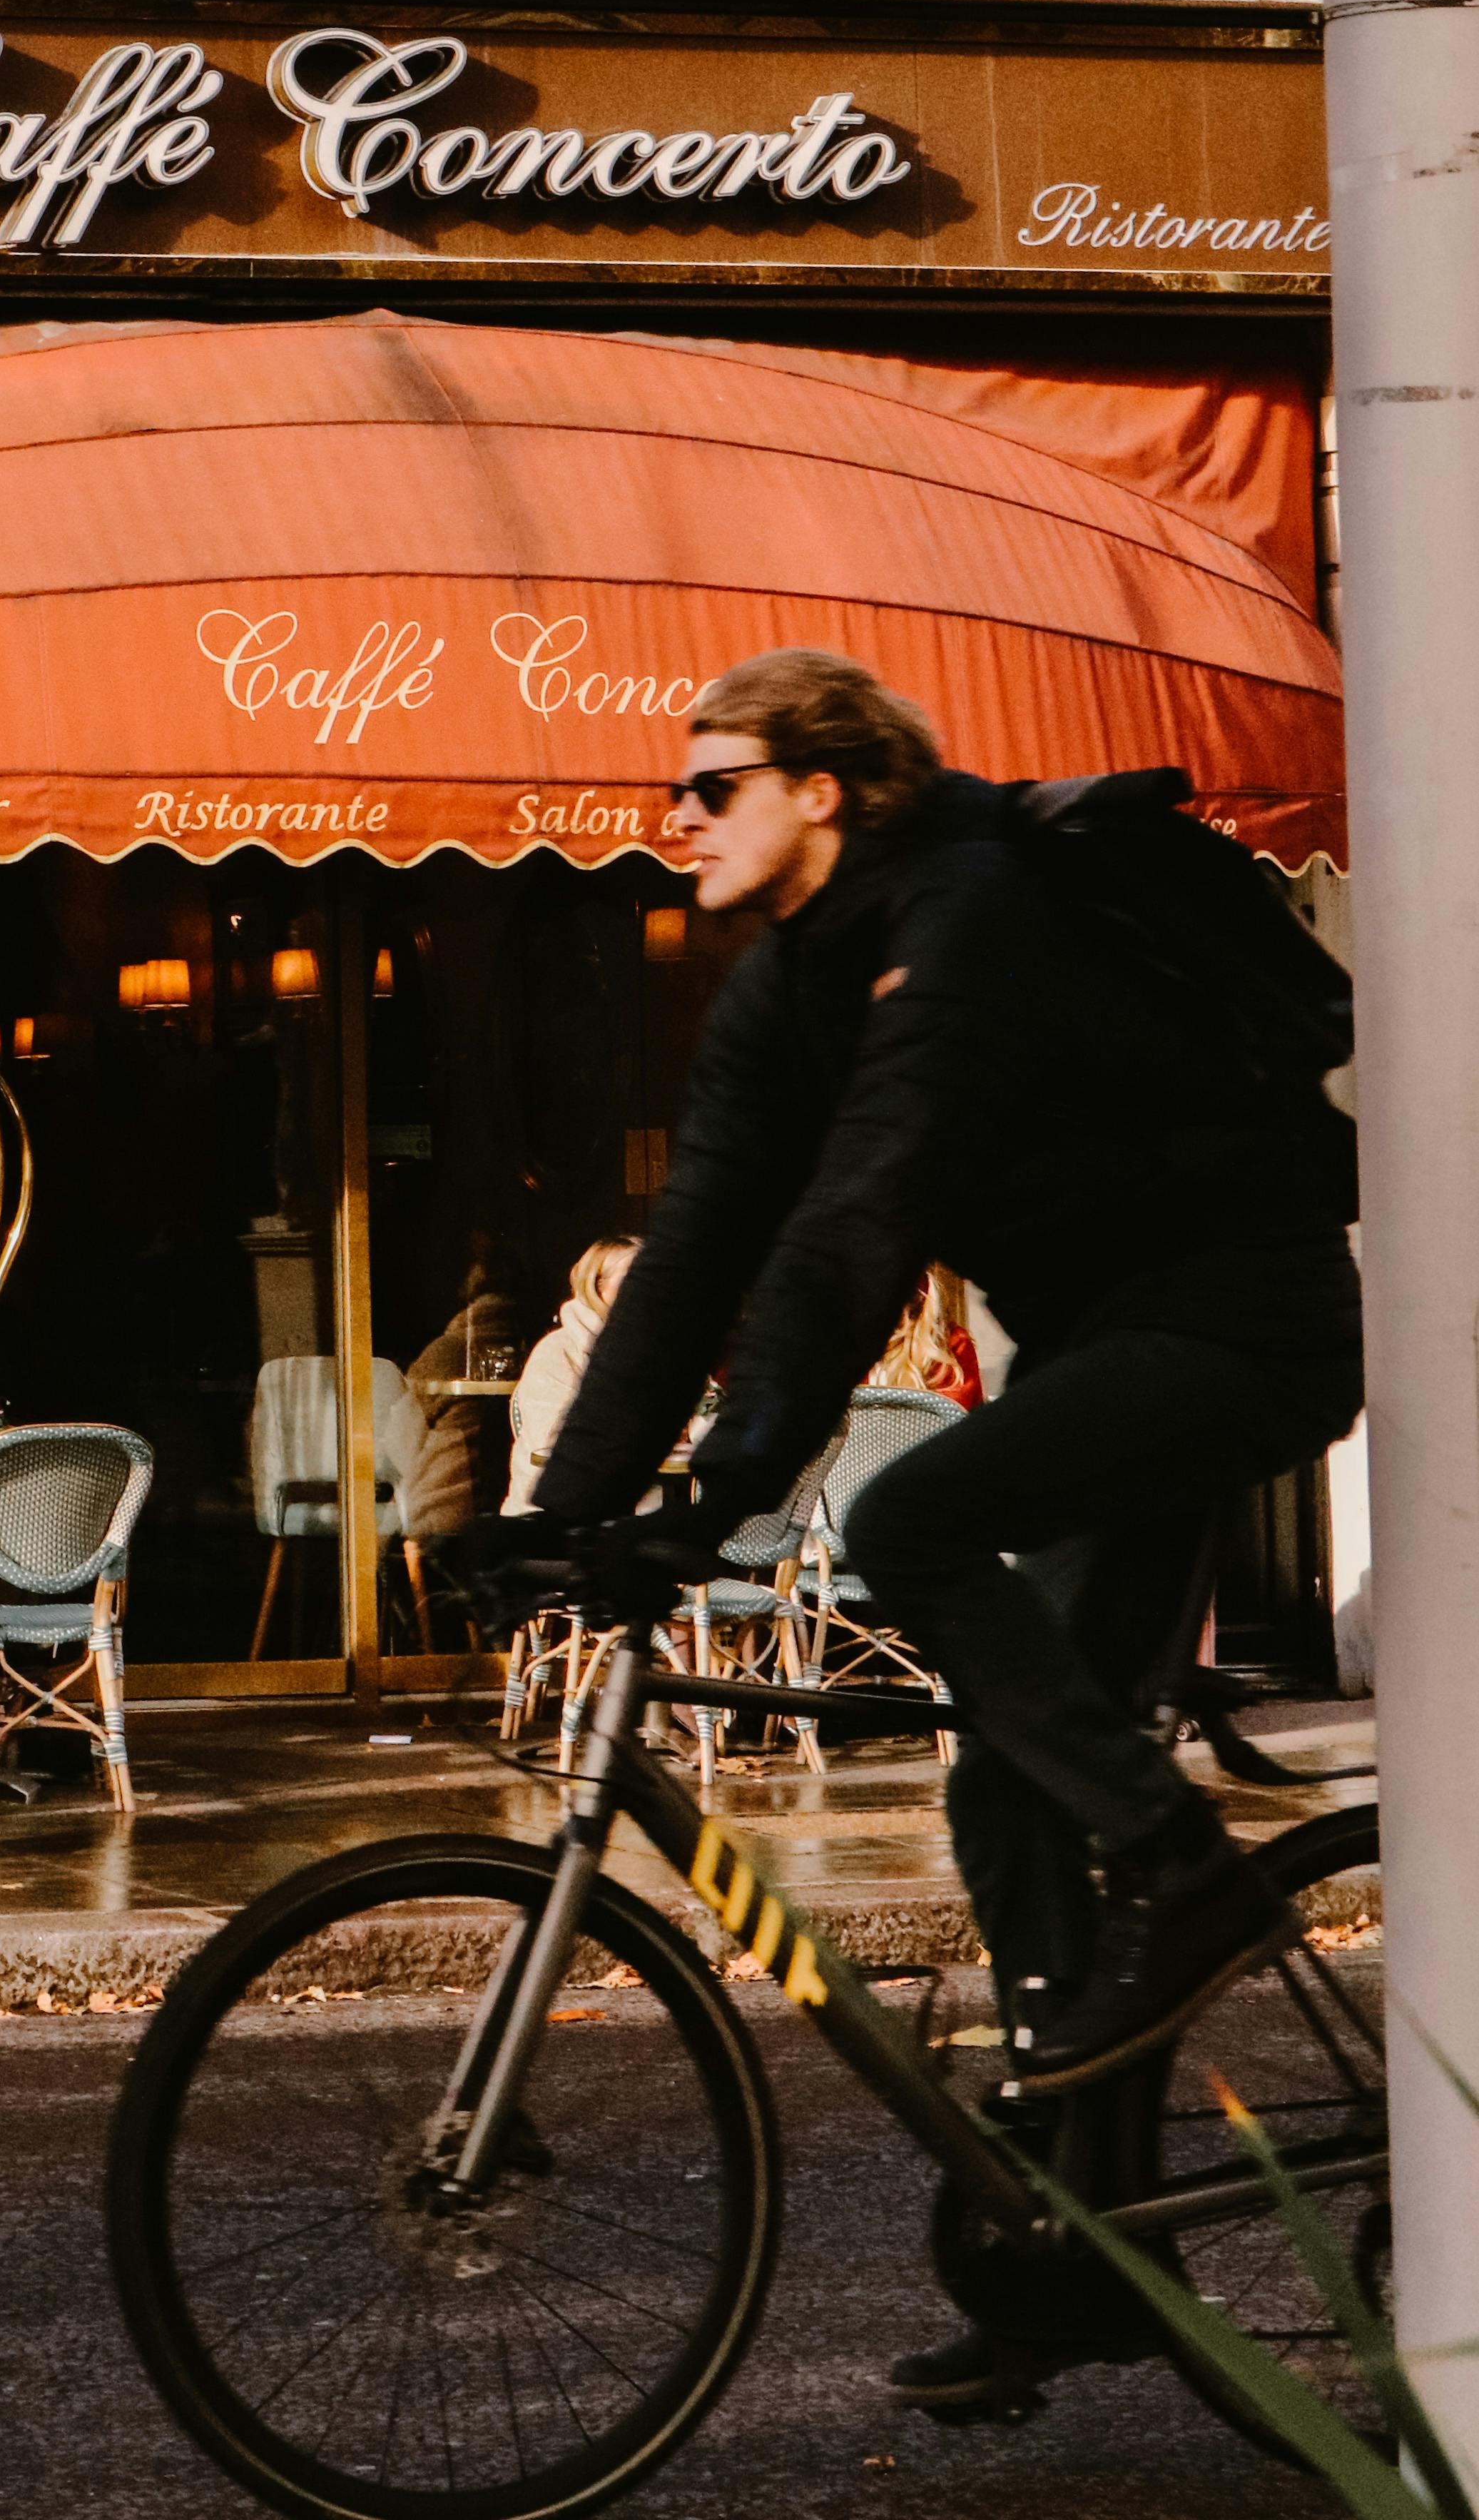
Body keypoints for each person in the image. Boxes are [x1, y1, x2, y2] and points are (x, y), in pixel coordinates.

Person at [530, 647, 1362, 2421]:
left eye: (713, 785)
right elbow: (703, 1233)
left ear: (820, 787)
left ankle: (1187, 1864)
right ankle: (1073, 2243)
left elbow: (856, 1225)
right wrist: (565, 1504)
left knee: (908, 1514)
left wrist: (719, 1494)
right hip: (1097, 1346)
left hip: (1238, 1319)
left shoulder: (965, 909)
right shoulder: (792, 980)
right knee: (1007, 1773)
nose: (679, 815)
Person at [504, 1238, 637, 1514]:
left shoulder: (652, 1349)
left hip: (634, 1504)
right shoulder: (557, 1351)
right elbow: (554, 1445)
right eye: (632, 1279)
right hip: (551, 1513)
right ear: (596, 1287)